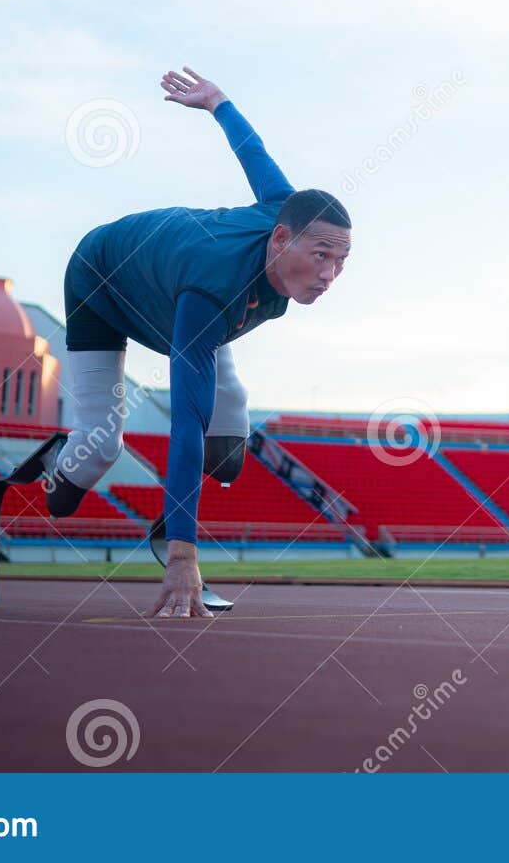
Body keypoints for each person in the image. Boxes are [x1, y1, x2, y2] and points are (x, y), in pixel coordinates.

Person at [43, 67, 352, 618]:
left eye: (342, 261)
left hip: (171, 288)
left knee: (229, 443)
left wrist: (219, 102)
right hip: (101, 276)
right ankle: (55, 466)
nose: (331, 275)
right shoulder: (212, 287)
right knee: (99, 449)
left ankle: (171, 511)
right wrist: (183, 556)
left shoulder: (285, 206)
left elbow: (251, 149)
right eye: (322, 255)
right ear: (281, 239)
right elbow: (184, 423)